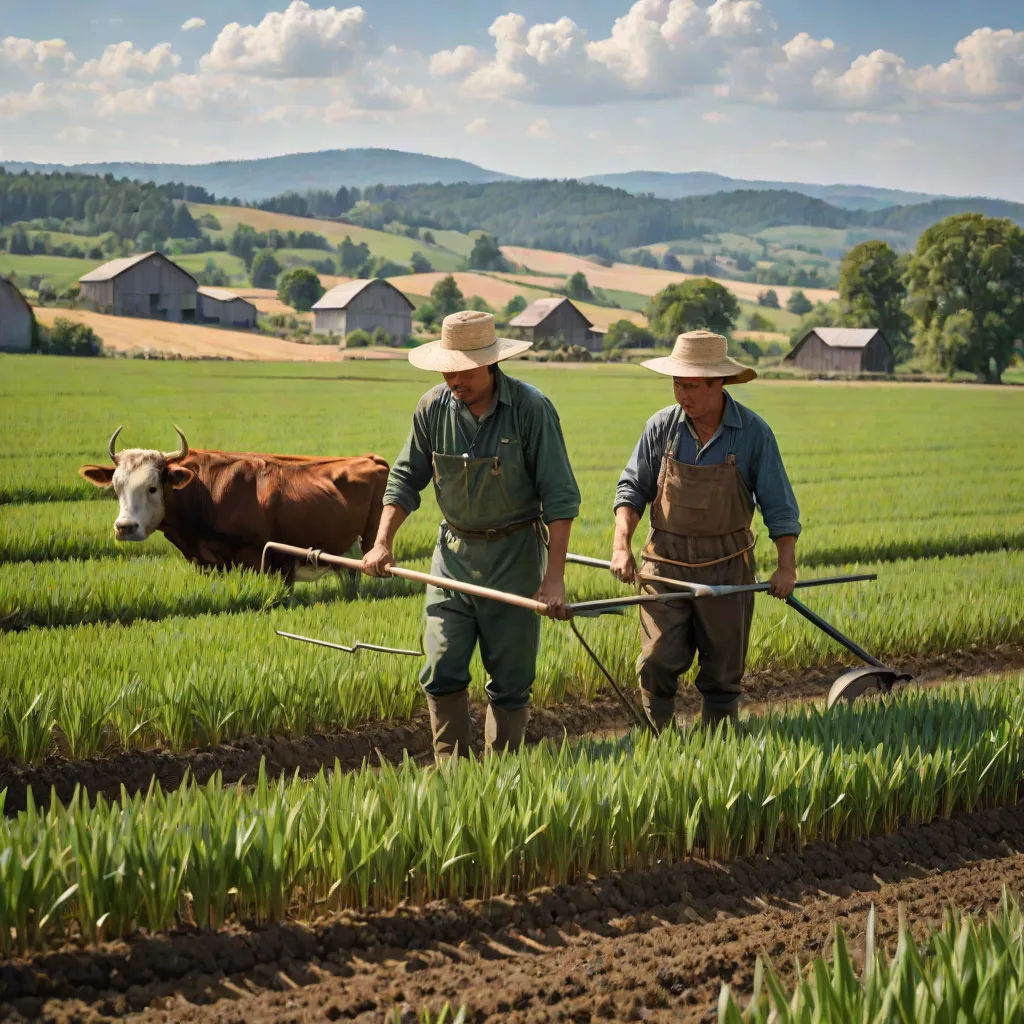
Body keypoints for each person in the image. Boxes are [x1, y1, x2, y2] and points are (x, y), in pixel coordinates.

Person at [362, 310, 581, 761]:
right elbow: (405, 479)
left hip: (514, 554)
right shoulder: (432, 408)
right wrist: (382, 541)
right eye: (446, 368)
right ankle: (453, 776)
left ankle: (502, 776)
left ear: (489, 363)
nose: (452, 378)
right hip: (454, 553)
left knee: (511, 675)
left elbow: (560, 499)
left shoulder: (530, 409)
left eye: (461, 369)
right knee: (441, 664)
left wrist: (554, 578)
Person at [611, 330, 800, 731]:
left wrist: (786, 568)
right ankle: (657, 744)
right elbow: (632, 489)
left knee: (722, 667)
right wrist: (621, 545)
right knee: (657, 657)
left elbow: (779, 506)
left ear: (719, 383)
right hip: (664, 564)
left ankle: (716, 747)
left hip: (726, 565)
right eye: (677, 383)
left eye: (691, 385)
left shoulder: (752, 433)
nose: (682, 394)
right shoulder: (661, 427)